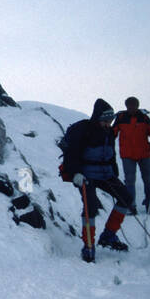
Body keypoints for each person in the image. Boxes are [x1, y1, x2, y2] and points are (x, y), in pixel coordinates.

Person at [61, 99, 136, 262]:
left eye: (110, 121)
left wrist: (114, 172)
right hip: (85, 175)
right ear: (98, 118)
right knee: (91, 207)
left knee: (126, 198)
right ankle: (88, 246)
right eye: (106, 121)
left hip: (104, 174)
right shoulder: (83, 130)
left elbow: (110, 154)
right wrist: (75, 174)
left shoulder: (108, 132)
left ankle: (108, 236)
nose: (108, 124)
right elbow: (72, 154)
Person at [113, 96, 150, 214]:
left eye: (134, 106)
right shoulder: (138, 117)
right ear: (127, 106)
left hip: (137, 154)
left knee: (138, 180)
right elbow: (113, 133)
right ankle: (141, 205)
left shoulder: (126, 118)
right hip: (136, 154)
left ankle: (142, 205)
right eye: (130, 106)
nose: (132, 108)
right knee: (140, 180)